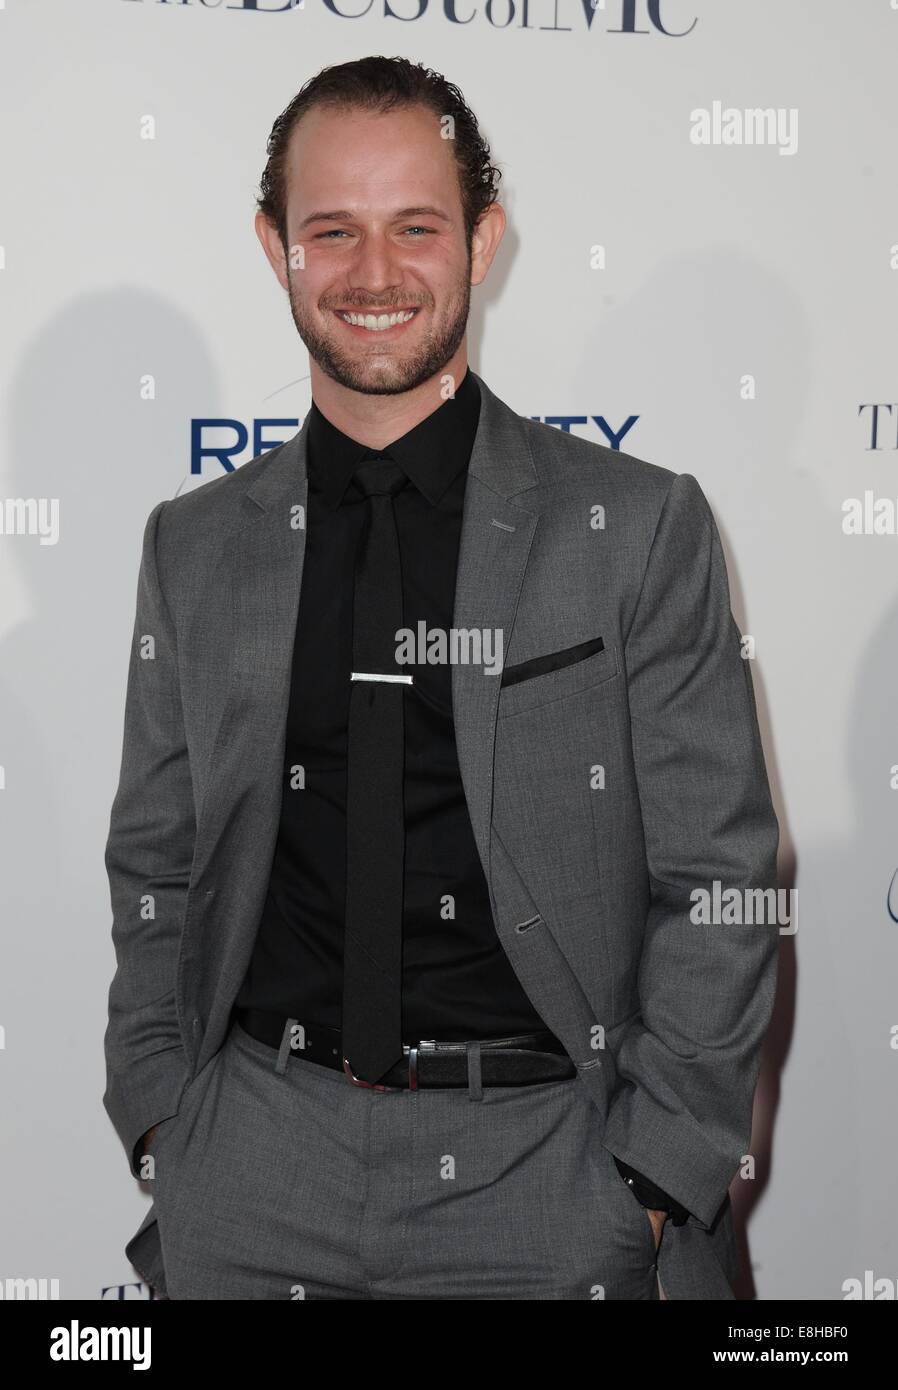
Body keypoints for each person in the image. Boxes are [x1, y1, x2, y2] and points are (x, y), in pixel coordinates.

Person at [103, 56, 779, 1301]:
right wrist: (163, 1117)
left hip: (551, 1177)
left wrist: (648, 1180)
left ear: (483, 238)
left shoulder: (631, 527)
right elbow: (157, 858)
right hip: (252, 1170)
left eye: (415, 227)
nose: (374, 274)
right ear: (275, 247)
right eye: (332, 231)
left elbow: (720, 880)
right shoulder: (192, 545)